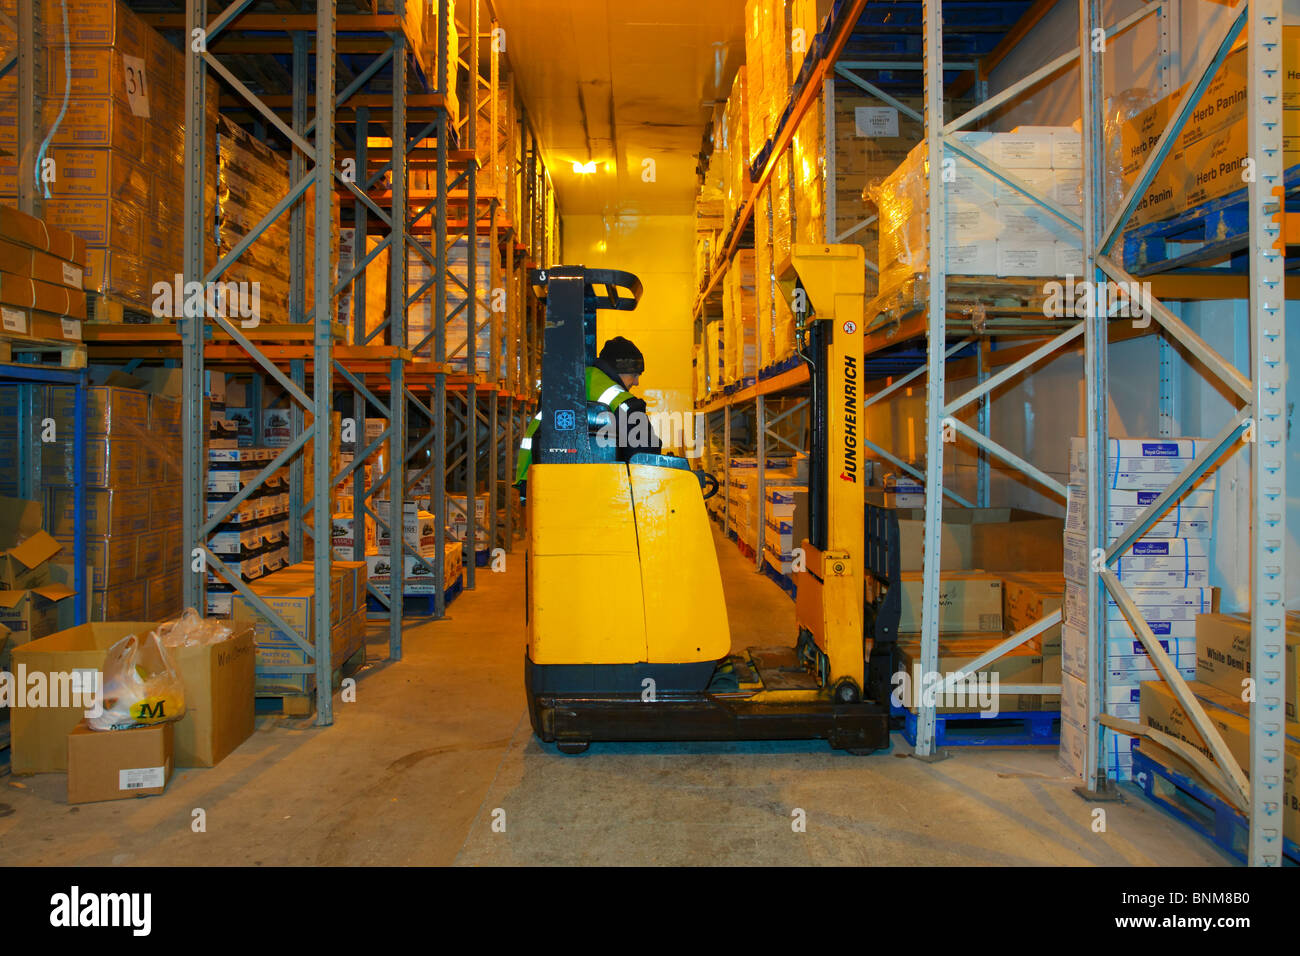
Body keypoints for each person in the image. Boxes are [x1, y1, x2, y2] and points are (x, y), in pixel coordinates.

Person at [514, 336, 662, 485]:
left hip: (537, 483)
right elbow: (646, 457)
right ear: (620, 369)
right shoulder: (622, 401)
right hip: (595, 493)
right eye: (635, 375)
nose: (636, 382)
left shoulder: (563, 384)